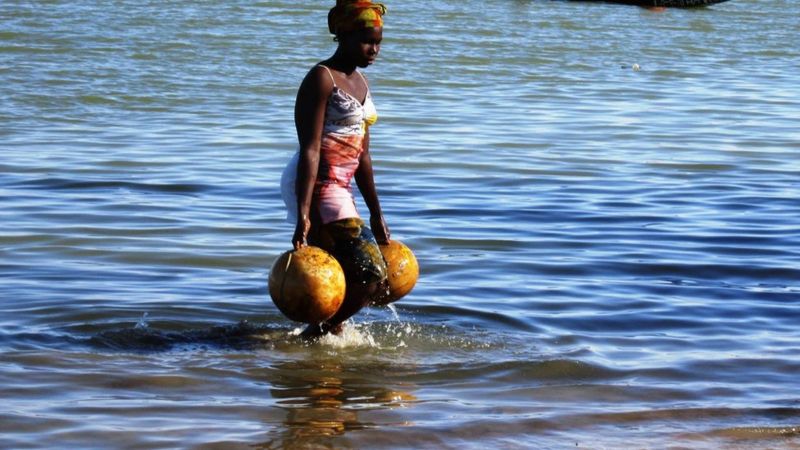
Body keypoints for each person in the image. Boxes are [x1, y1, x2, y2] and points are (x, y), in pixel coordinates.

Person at [280, 0, 390, 338]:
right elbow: (311, 149)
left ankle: (326, 336)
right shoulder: (321, 79)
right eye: (366, 41)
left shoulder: (362, 86)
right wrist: (304, 214)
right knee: (372, 274)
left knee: (356, 276)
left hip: (343, 188)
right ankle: (319, 334)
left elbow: (363, 158)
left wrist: (376, 213)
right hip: (317, 183)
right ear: (342, 34)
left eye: (378, 42)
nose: (374, 50)